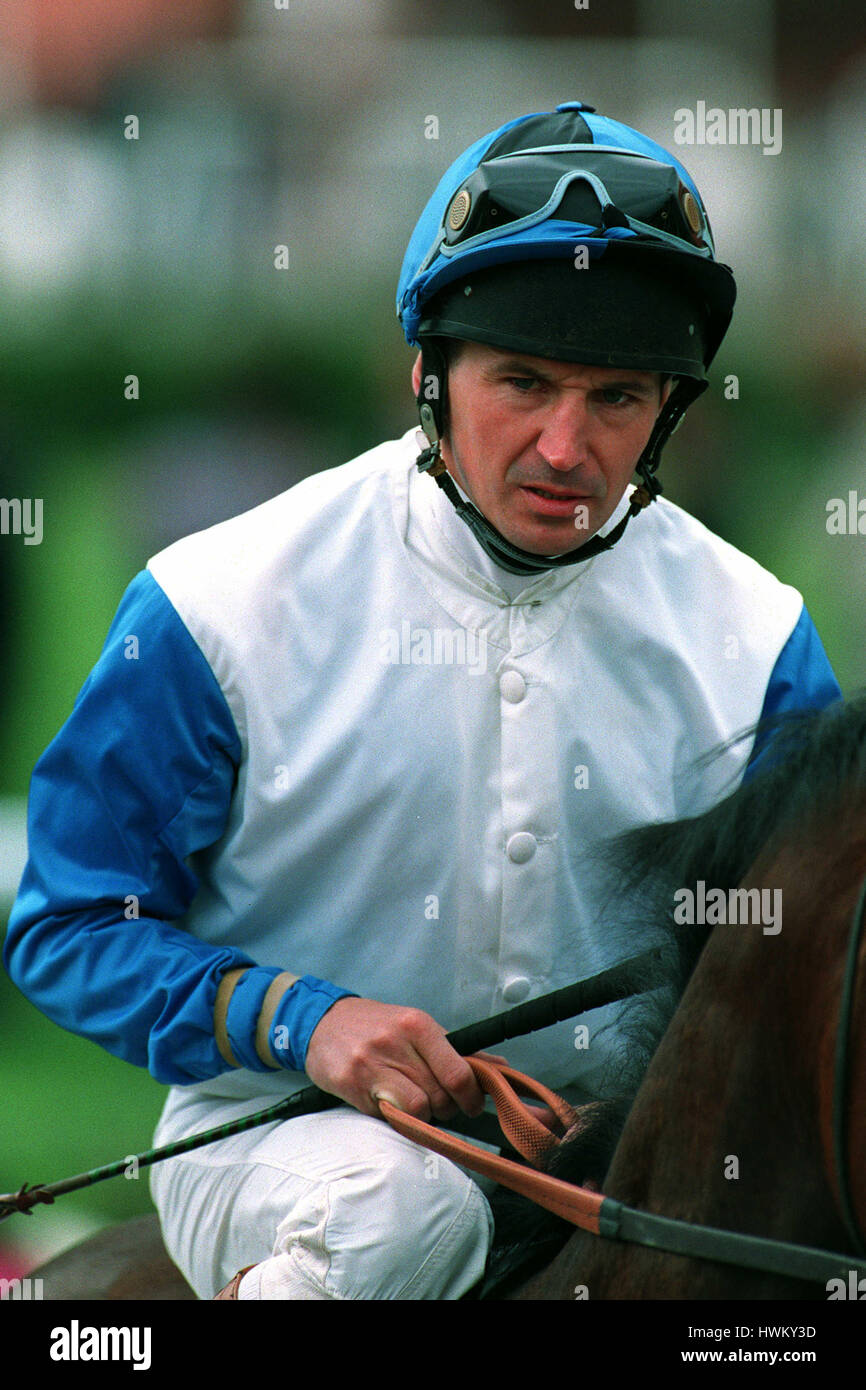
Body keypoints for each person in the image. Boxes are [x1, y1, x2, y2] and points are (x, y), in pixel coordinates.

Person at [4, 101, 841, 1301]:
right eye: (522, 381)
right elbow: (68, 924)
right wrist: (296, 1017)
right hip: (280, 1140)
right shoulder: (213, 603)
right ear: (427, 374)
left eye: (616, 398)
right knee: (397, 1209)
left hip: (640, 1163)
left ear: (669, 411)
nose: (565, 446)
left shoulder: (758, 638)